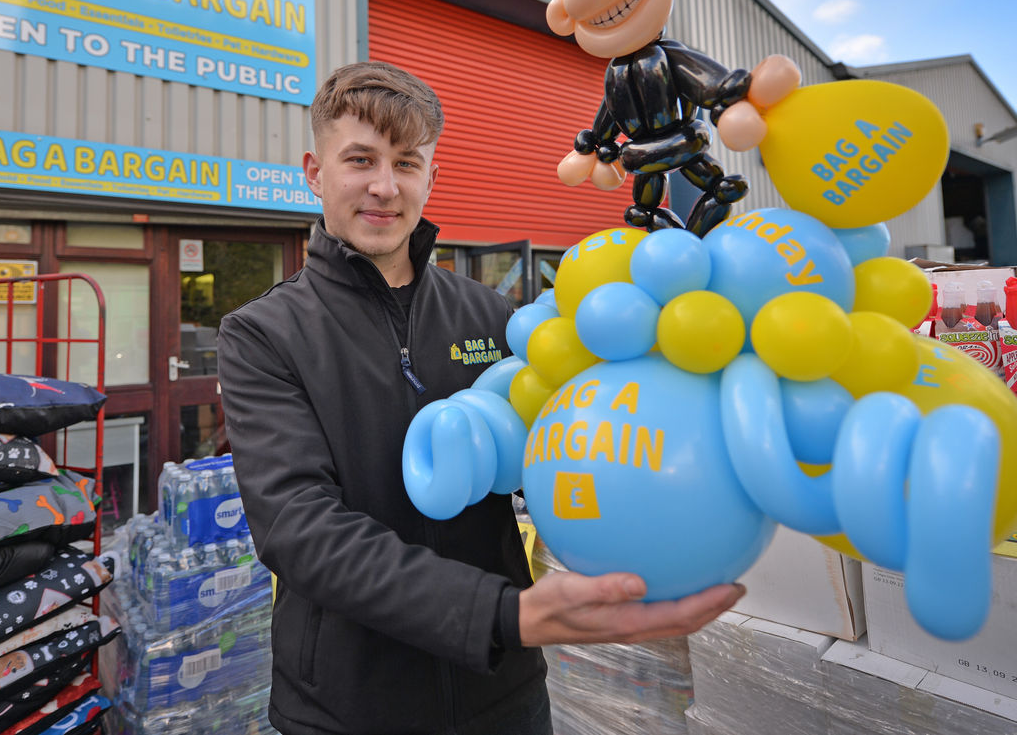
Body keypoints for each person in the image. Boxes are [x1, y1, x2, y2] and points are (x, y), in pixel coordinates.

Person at [216, 61, 745, 735]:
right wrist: (503, 613)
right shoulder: (263, 334)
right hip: (348, 709)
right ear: (316, 173)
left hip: (505, 697)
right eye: (360, 159)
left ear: (431, 180)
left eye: (407, 163)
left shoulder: (489, 315)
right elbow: (299, 529)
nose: (384, 186)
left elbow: (568, 448)